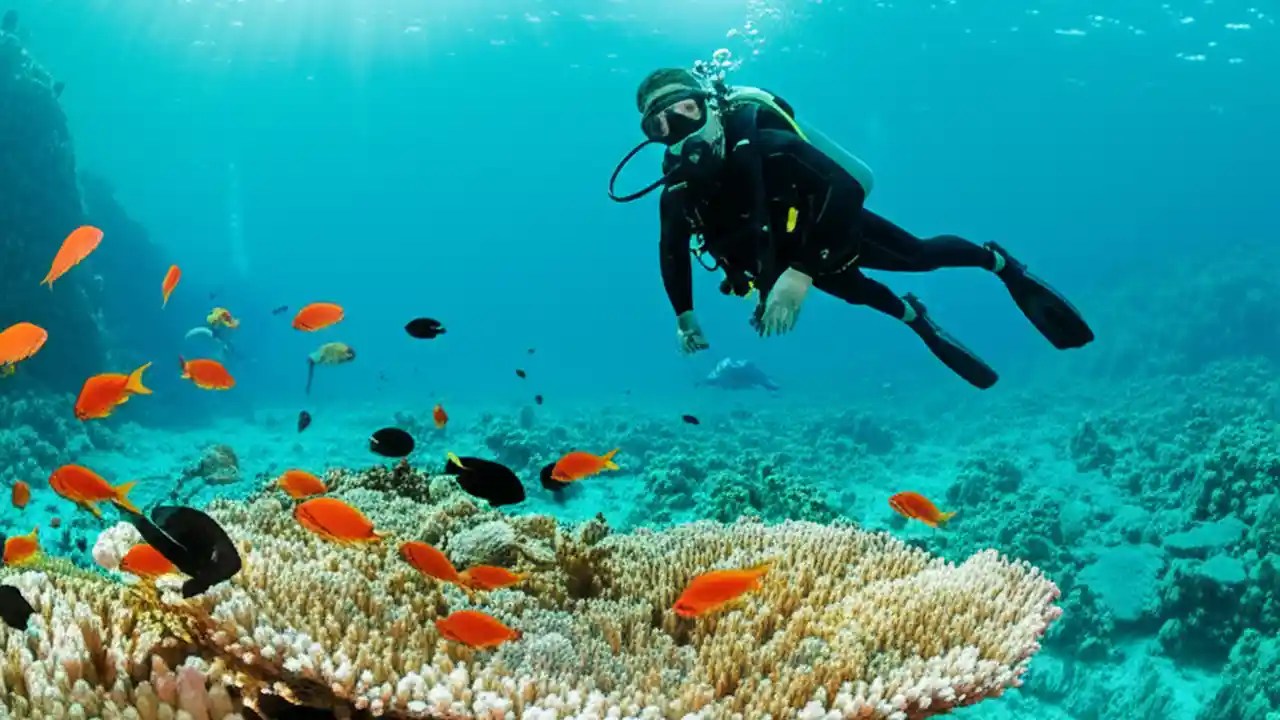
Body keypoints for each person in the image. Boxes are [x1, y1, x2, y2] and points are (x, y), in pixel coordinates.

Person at [608, 66, 1094, 389]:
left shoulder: (767, 142)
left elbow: (846, 189)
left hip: (832, 229)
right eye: (663, 124)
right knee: (865, 295)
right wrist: (684, 314)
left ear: (709, 106)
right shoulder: (676, 191)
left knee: (919, 256)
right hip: (789, 265)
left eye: (687, 110)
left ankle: (998, 262)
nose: (681, 129)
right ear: (654, 137)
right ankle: (915, 318)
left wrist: (798, 273)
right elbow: (670, 249)